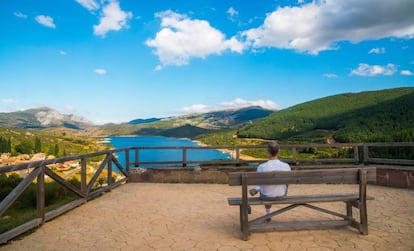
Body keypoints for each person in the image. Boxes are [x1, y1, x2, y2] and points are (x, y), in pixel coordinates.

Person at [249, 141, 291, 222]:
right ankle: (257, 189)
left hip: (266, 196)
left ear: (267, 152)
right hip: (282, 195)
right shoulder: (286, 166)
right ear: (278, 151)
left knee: (264, 188)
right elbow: (287, 183)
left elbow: (260, 182)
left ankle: (268, 213)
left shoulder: (261, 167)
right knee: (270, 187)